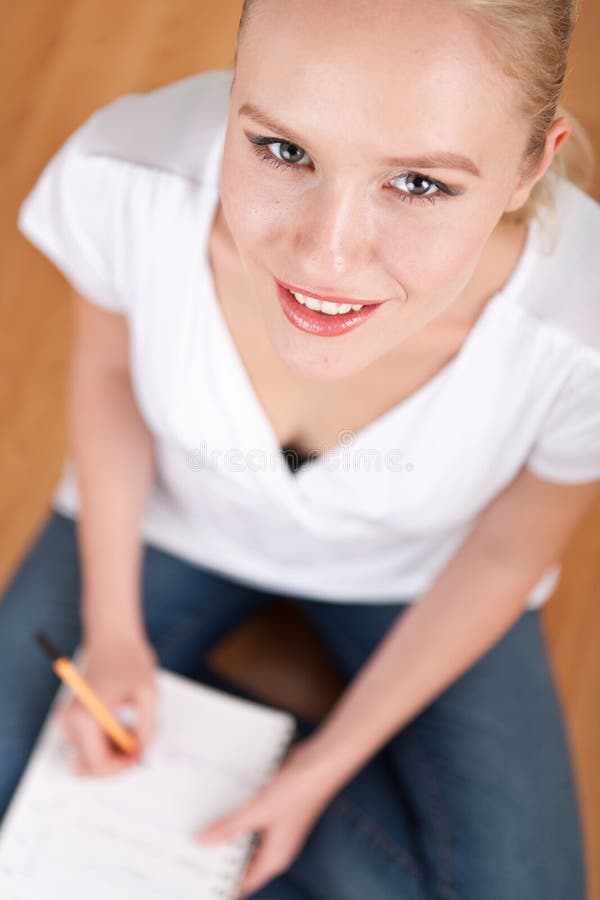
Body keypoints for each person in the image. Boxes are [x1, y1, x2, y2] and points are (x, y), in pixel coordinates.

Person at [2, 0, 600, 896]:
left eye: (421, 185)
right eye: (283, 150)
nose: (324, 260)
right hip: (169, 523)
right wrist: (115, 633)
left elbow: (512, 548)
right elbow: (107, 379)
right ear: (235, 97)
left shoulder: (581, 332)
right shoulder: (121, 179)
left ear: (529, 167)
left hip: (416, 579)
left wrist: (326, 766)